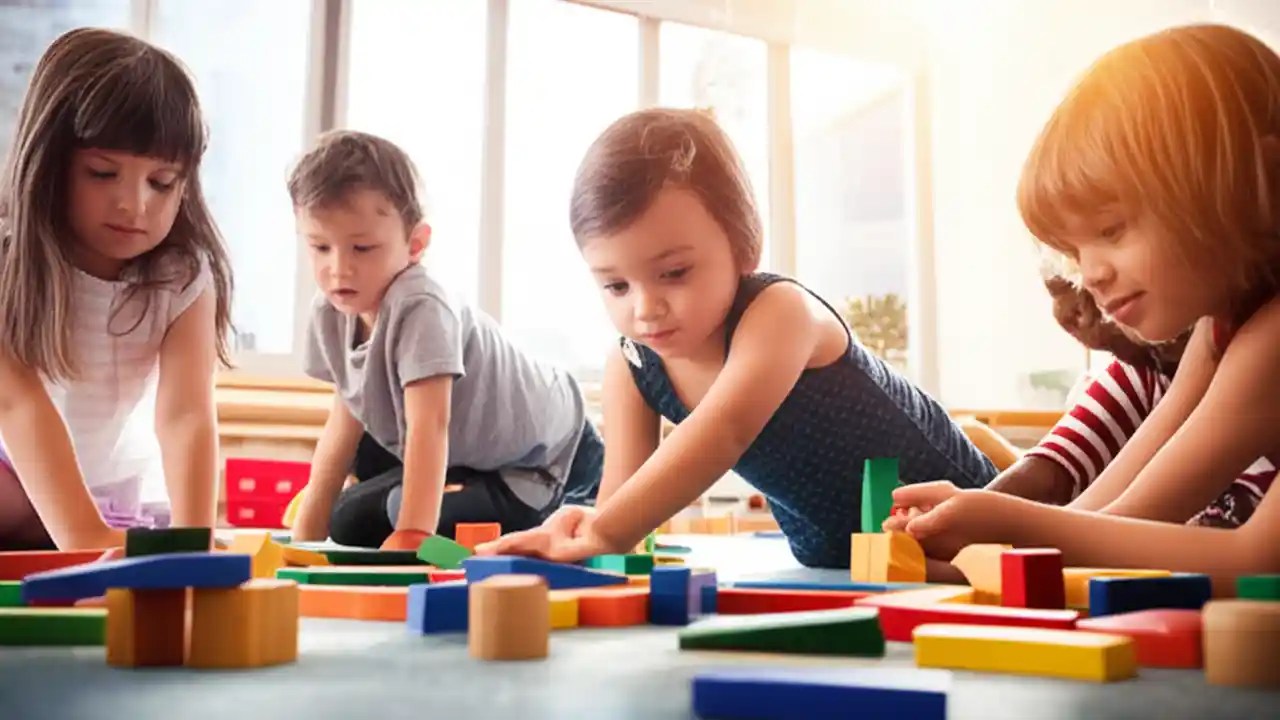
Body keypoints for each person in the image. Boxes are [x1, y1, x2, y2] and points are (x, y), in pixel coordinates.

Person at [478, 108, 997, 568]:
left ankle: (997, 451)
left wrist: (605, 530)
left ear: (743, 246)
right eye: (616, 285)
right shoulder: (634, 363)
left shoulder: (780, 312)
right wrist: (577, 530)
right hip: (828, 551)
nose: (645, 308)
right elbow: (619, 505)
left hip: (945, 505)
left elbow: (725, 430)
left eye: (674, 272)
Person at [886, 24, 1280, 588]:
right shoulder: (1220, 332)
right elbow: (1114, 511)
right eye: (1074, 251)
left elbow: (1256, 560)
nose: (1090, 274)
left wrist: (1006, 525)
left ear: (1260, 181)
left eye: (1112, 229)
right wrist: (979, 542)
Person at [286, 130, 603, 550]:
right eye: (320, 247)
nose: (338, 269)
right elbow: (343, 423)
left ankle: (530, 512)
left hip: (547, 459)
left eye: (362, 248)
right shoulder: (331, 311)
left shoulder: (421, 306)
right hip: (472, 452)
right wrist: (305, 534)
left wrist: (414, 535)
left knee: (352, 521)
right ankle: (429, 502)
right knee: (362, 461)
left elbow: (429, 426)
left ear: (414, 244)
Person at [0, 28, 232, 551]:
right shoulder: (7, 261)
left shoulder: (183, 276)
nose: (134, 204)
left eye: (162, 182)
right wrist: (84, 539)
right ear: (50, 163)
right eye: (103, 173)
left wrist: (196, 538)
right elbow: (17, 404)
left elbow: (186, 415)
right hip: (12, 470)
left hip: (109, 487)